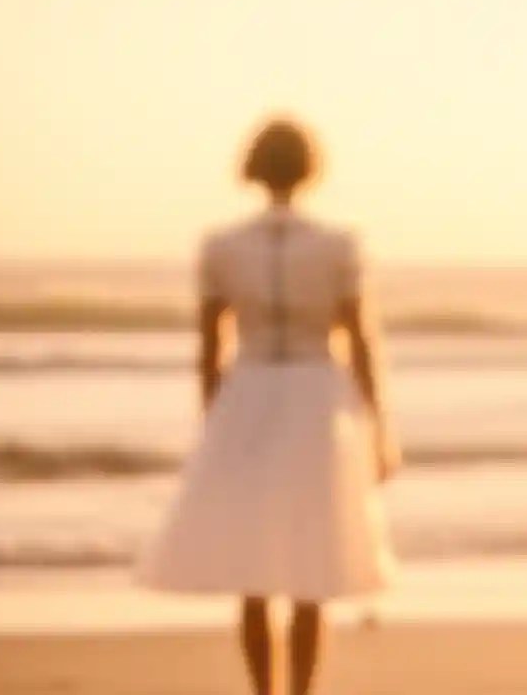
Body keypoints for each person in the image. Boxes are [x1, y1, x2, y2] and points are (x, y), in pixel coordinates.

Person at [138, 118, 399, 695]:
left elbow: (209, 346)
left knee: (250, 566)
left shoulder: (222, 246)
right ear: (310, 168)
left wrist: (212, 420)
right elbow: (360, 340)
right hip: (314, 394)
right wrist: (379, 426)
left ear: (253, 167)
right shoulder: (337, 244)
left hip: (248, 394)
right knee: (313, 561)